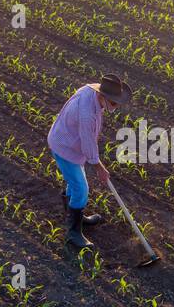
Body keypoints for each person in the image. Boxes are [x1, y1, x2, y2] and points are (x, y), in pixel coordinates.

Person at [48, 74, 133, 249]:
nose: (115, 107)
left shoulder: (91, 91)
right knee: (81, 187)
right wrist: (99, 167)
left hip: (69, 141)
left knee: (74, 183)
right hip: (65, 147)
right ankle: (73, 232)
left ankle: (74, 215)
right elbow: (88, 144)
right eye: (114, 103)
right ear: (103, 96)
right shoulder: (88, 115)